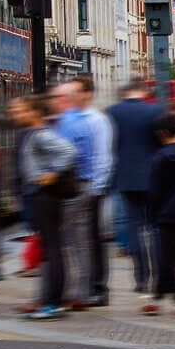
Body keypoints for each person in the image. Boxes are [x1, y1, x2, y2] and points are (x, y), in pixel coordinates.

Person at [13, 93, 77, 321]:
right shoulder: (33, 134)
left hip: (45, 197)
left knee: (52, 250)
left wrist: (52, 174)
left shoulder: (41, 135)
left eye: (20, 110)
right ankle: (47, 299)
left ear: (34, 113)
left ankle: (53, 304)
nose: (16, 114)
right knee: (48, 250)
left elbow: (69, 151)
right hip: (39, 196)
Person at [47, 79, 103, 308]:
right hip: (84, 185)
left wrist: (49, 174)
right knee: (82, 242)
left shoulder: (67, 124)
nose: (52, 101)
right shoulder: (81, 121)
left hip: (71, 189)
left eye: (55, 97)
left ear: (64, 100)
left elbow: (64, 157)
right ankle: (83, 292)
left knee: (64, 242)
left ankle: (69, 291)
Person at [106, 78, 164, 299]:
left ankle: (141, 277)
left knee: (134, 228)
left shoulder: (113, 112)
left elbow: (111, 146)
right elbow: (162, 145)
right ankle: (159, 275)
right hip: (153, 178)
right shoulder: (155, 110)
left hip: (126, 178)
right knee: (155, 229)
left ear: (126, 91)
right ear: (143, 91)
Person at [145, 111, 175, 317]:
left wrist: (151, 213)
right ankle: (156, 297)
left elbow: (156, 189)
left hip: (166, 213)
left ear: (162, 133)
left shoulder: (160, 157)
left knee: (167, 259)